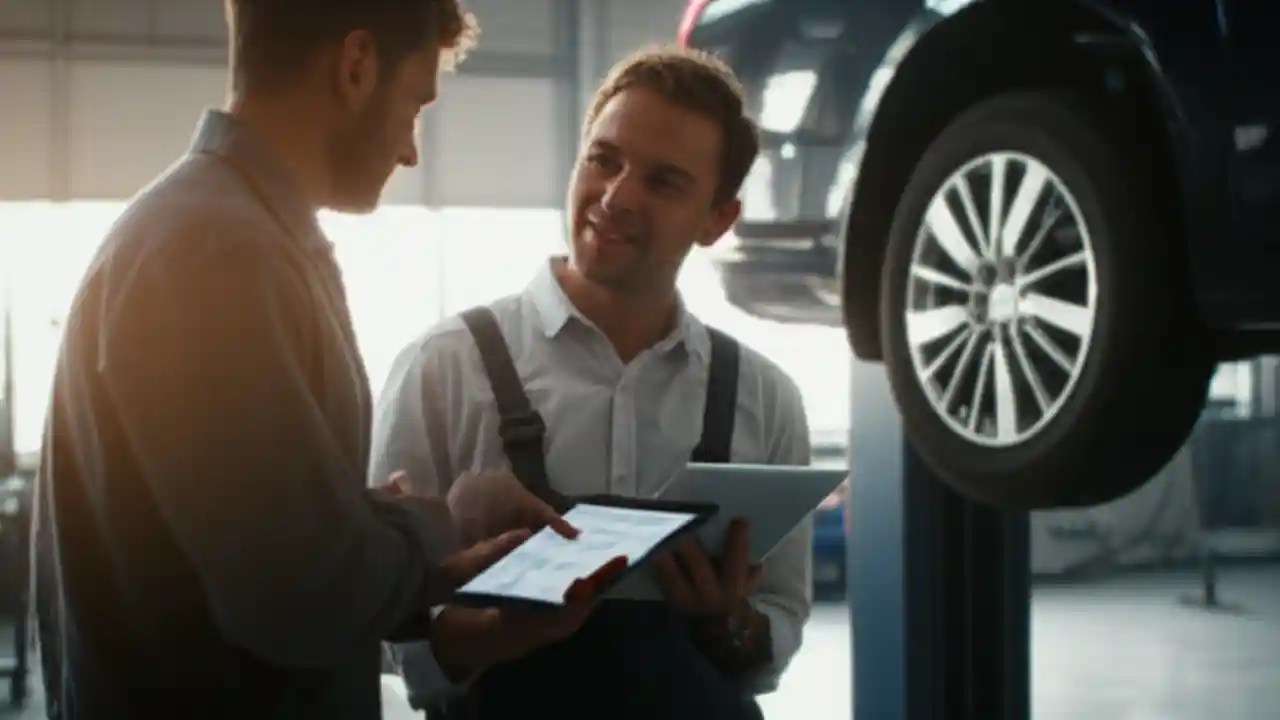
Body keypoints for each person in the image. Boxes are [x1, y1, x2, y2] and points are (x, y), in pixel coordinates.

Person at [29, 2, 621, 718]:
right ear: (356, 66)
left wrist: (395, 533)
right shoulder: (220, 252)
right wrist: (438, 526)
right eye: (414, 105)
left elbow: (236, 536)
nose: (411, 151)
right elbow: (293, 595)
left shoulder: (208, 229)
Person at [370, 45, 814, 719]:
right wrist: (489, 634)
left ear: (719, 219)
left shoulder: (765, 398)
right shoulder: (445, 369)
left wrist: (729, 623)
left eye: (664, 182)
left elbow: (777, 623)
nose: (617, 197)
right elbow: (388, 631)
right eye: (604, 160)